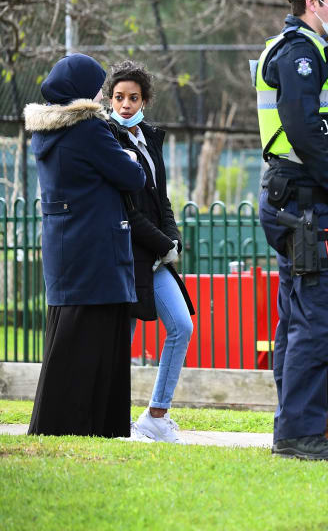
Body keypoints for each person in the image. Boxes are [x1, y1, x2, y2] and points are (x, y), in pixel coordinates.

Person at [255, 0, 328, 461]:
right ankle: (298, 433)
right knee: (315, 319)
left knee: (298, 316)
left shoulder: (314, 50)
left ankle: (294, 428)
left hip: (298, 196)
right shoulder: (300, 53)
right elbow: (301, 129)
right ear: (311, 2)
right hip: (306, 199)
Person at [25, 53, 145, 437]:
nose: (100, 97)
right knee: (97, 343)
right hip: (97, 249)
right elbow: (132, 175)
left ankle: (58, 423)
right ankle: (95, 424)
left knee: (67, 342)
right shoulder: (87, 128)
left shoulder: (46, 131)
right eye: (97, 89)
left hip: (66, 249)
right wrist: (127, 154)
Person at [104, 61, 196, 443]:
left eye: (134, 98)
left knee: (182, 326)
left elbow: (161, 200)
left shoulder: (150, 138)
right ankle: (111, 420)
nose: (126, 105)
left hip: (156, 257)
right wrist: (163, 244)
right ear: (109, 99)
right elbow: (127, 209)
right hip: (125, 256)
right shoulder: (106, 138)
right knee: (118, 340)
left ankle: (156, 415)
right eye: (119, 97)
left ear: (145, 100)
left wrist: (172, 240)